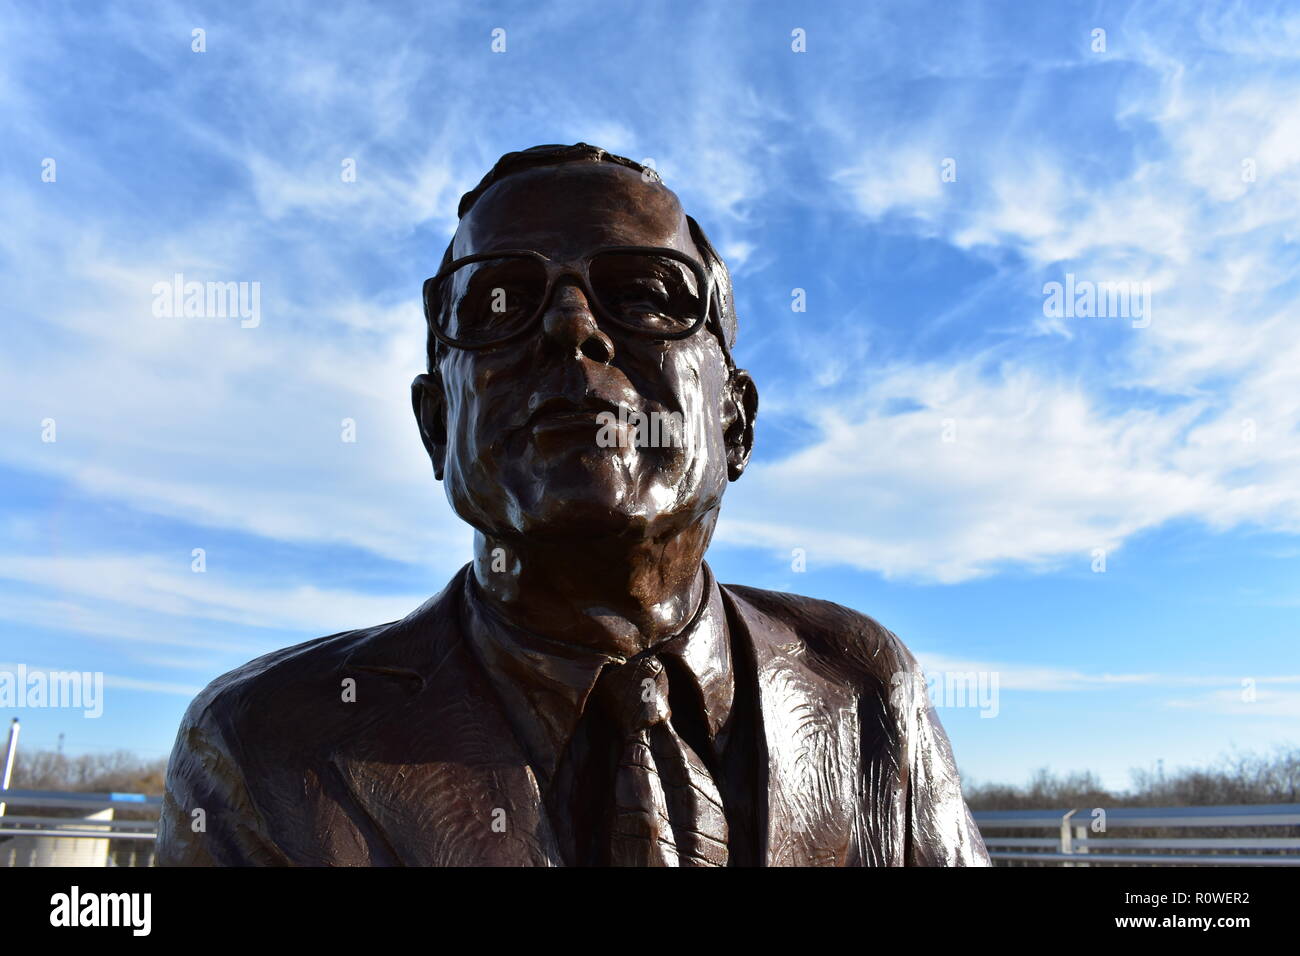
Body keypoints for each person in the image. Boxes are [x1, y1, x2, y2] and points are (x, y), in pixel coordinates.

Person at [157, 143, 990, 867]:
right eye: (498, 303)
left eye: (647, 293)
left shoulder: (866, 686)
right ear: (436, 425)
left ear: (734, 423)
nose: (570, 327)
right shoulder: (267, 743)